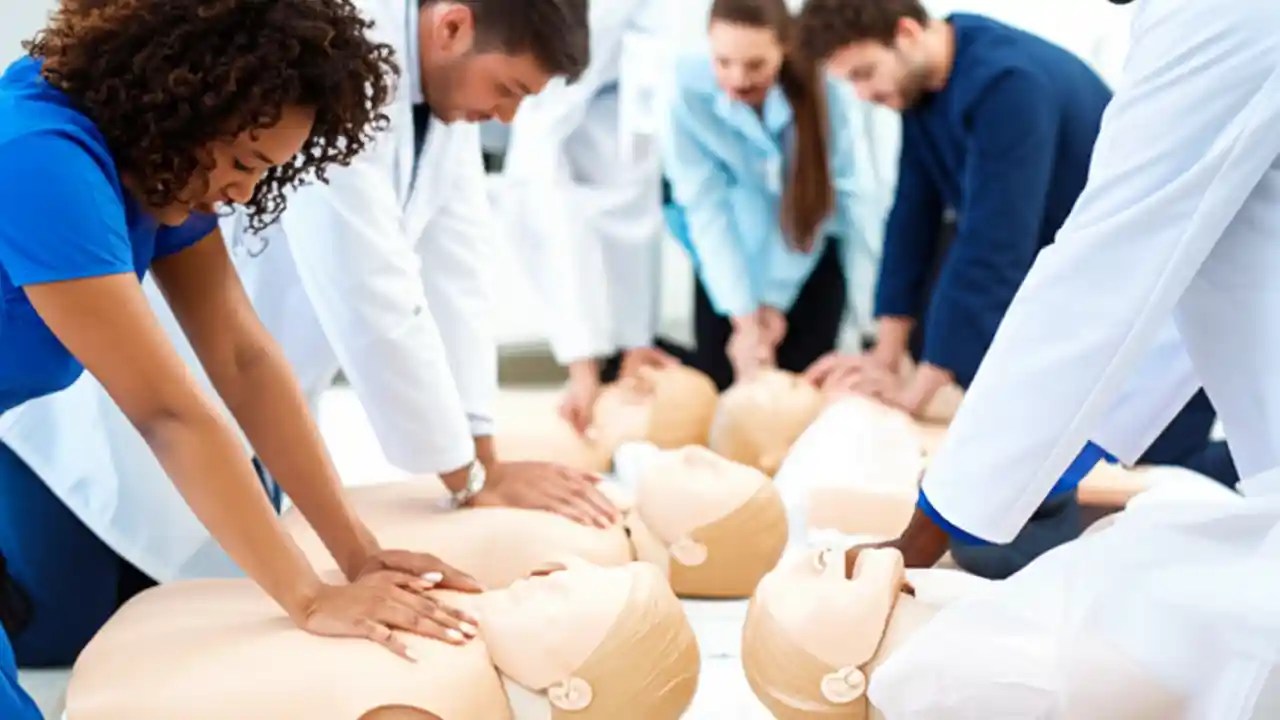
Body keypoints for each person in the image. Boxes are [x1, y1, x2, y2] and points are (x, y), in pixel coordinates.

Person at [0, 0, 618, 612]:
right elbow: (169, 414)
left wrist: (359, 555)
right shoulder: (43, 158)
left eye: (263, 175)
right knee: (61, 625)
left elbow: (244, 357)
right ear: (175, 103)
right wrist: (310, 599)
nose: (243, 194)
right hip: (52, 439)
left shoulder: (155, 158)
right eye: (243, 164)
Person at [805, 0, 1280, 572]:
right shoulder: (930, 101)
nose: (861, 93)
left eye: (862, 75)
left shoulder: (1019, 78)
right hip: (1131, 338)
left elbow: (1086, 265)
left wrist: (939, 516)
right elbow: (1230, 261)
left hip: (1106, 331)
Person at [661, 0, 883, 392]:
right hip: (729, 259)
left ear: (785, 47)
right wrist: (745, 320)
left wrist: (776, 300)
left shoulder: (829, 90)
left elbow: (827, 207)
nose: (737, 78)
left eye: (755, 65)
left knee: (803, 388)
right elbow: (705, 208)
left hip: (809, 255)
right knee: (722, 380)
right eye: (723, 61)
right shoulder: (687, 92)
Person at [501, 0, 686, 433]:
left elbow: (636, 215)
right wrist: (581, 364)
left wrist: (636, 341)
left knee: (632, 203)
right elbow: (547, 222)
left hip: (621, 90)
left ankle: (631, 353)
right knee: (546, 206)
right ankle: (586, 371)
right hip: (551, 84)